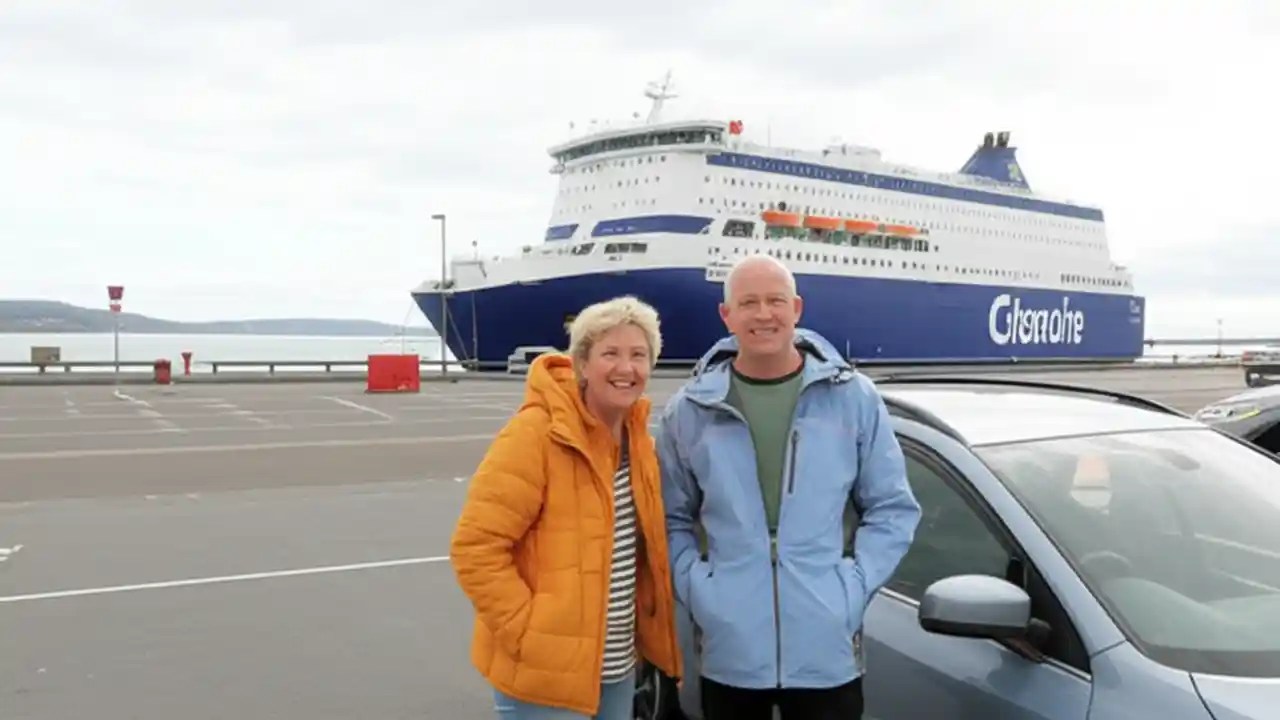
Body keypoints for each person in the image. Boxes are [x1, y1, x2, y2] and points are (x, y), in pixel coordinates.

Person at [657, 254, 921, 720]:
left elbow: (892, 509)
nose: (764, 314)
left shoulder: (853, 397)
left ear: (796, 308)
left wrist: (852, 588)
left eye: (775, 301)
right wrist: (701, 590)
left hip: (827, 653)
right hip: (730, 652)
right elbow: (669, 517)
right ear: (727, 315)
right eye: (749, 302)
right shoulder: (690, 410)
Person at [450, 295, 683, 720]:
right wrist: (529, 634)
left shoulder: (642, 447)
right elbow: (475, 548)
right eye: (610, 353)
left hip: (617, 670)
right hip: (545, 677)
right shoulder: (537, 434)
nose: (625, 368)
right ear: (581, 364)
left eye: (638, 355)